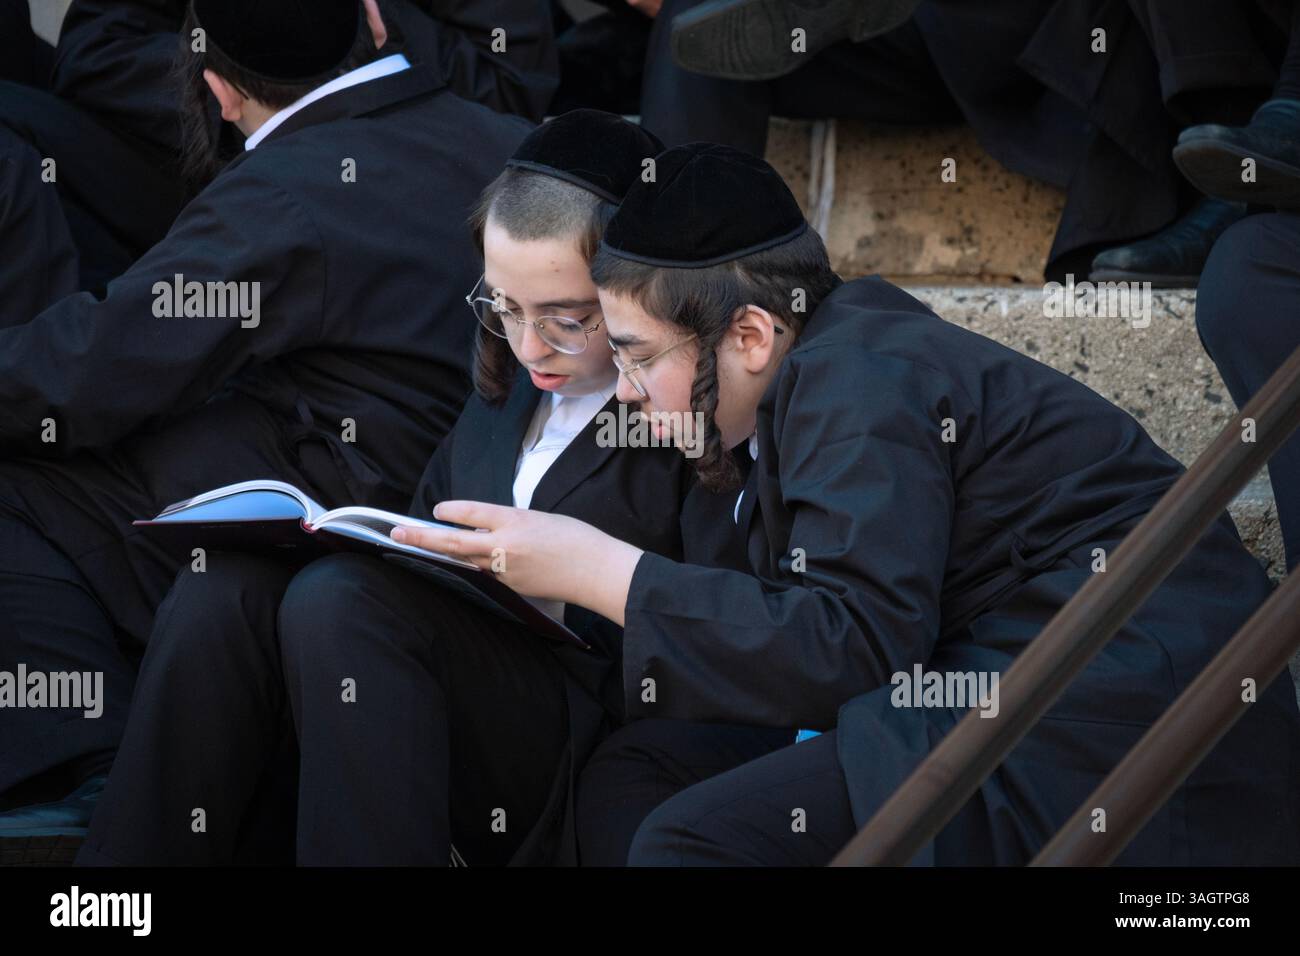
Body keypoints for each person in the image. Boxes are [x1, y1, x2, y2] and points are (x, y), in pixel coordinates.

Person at [397, 144, 1300, 865]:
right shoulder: (819, 369)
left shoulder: (855, 377)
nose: (624, 392)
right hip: (1016, 674)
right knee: (641, 776)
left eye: (636, 356)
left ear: (749, 334)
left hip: (1106, 696)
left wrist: (604, 572)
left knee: (691, 839)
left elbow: (855, 639)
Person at [74, 111, 787, 867]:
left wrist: (558, 587)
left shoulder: (685, 404)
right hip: (415, 699)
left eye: (567, 320)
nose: (528, 345)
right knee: (228, 587)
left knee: (342, 601)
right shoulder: (504, 394)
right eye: (504, 308)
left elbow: (718, 640)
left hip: (578, 741)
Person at [0, 0, 528, 860]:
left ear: (218, 89)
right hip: (484, 510)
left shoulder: (284, 193)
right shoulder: (510, 140)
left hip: (343, 513)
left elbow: (86, 373)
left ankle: (77, 768)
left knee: (19, 482)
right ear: (374, 20)